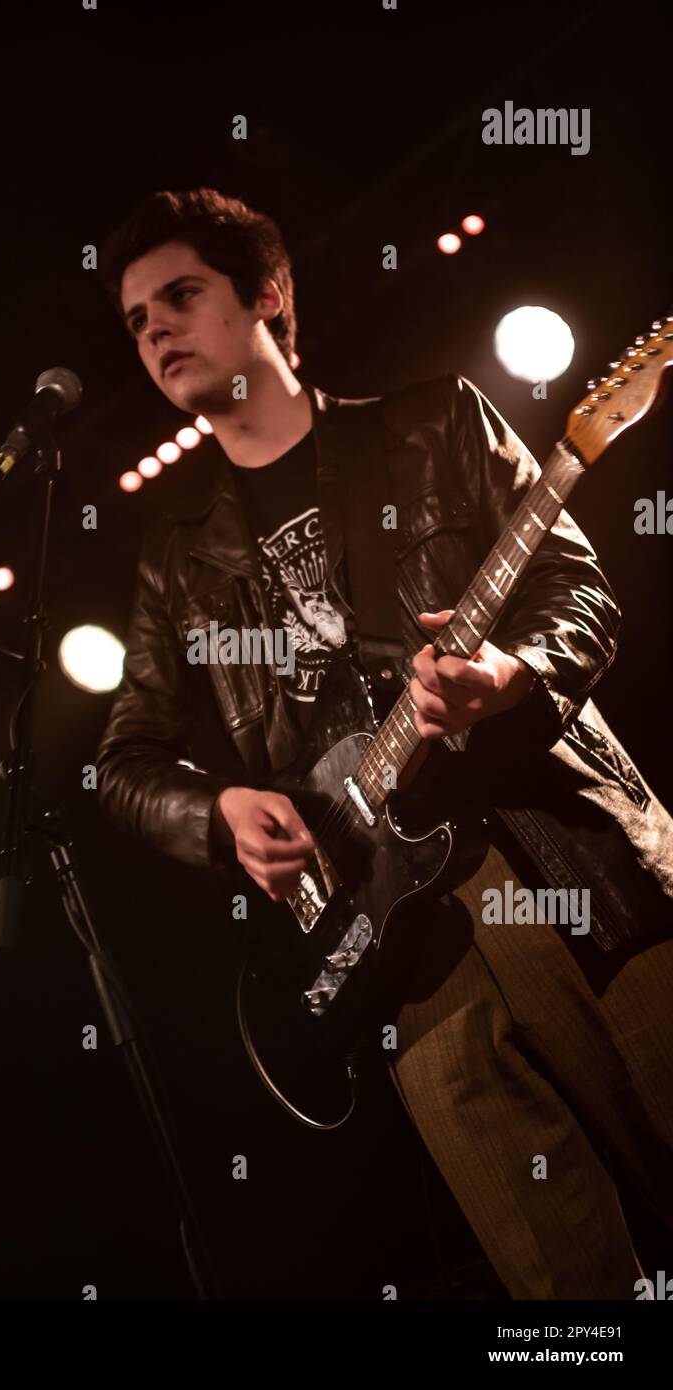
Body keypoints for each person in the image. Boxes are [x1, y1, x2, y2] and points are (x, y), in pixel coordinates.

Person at [93, 187, 673, 1299]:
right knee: (569, 1298)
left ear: (269, 297)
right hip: (400, 965)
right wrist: (214, 812)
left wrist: (507, 675)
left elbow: (578, 594)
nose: (156, 329)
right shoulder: (180, 561)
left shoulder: (434, 422)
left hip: (568, 873)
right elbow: (125, 762)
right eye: (135, 319)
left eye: (180, 296)